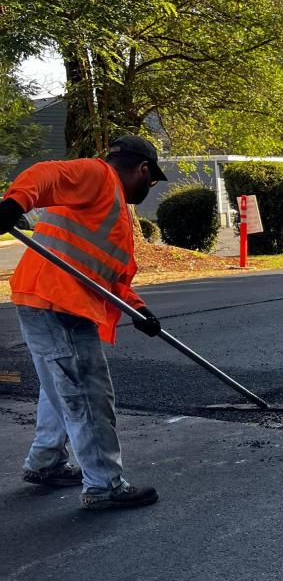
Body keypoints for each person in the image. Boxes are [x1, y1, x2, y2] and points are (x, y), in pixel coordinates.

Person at [0, 135, 168, 509]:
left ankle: (45, 462)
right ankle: (104, 485)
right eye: (152, 180)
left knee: (59, 385)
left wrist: (138, 309)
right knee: (88, 393)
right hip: (58, 303)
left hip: (50, 299)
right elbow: (44, 174)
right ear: (143, 170)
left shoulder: (110, 204)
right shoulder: (99, 175)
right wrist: (15, 203)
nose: (149, 187)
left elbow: (105, 273)